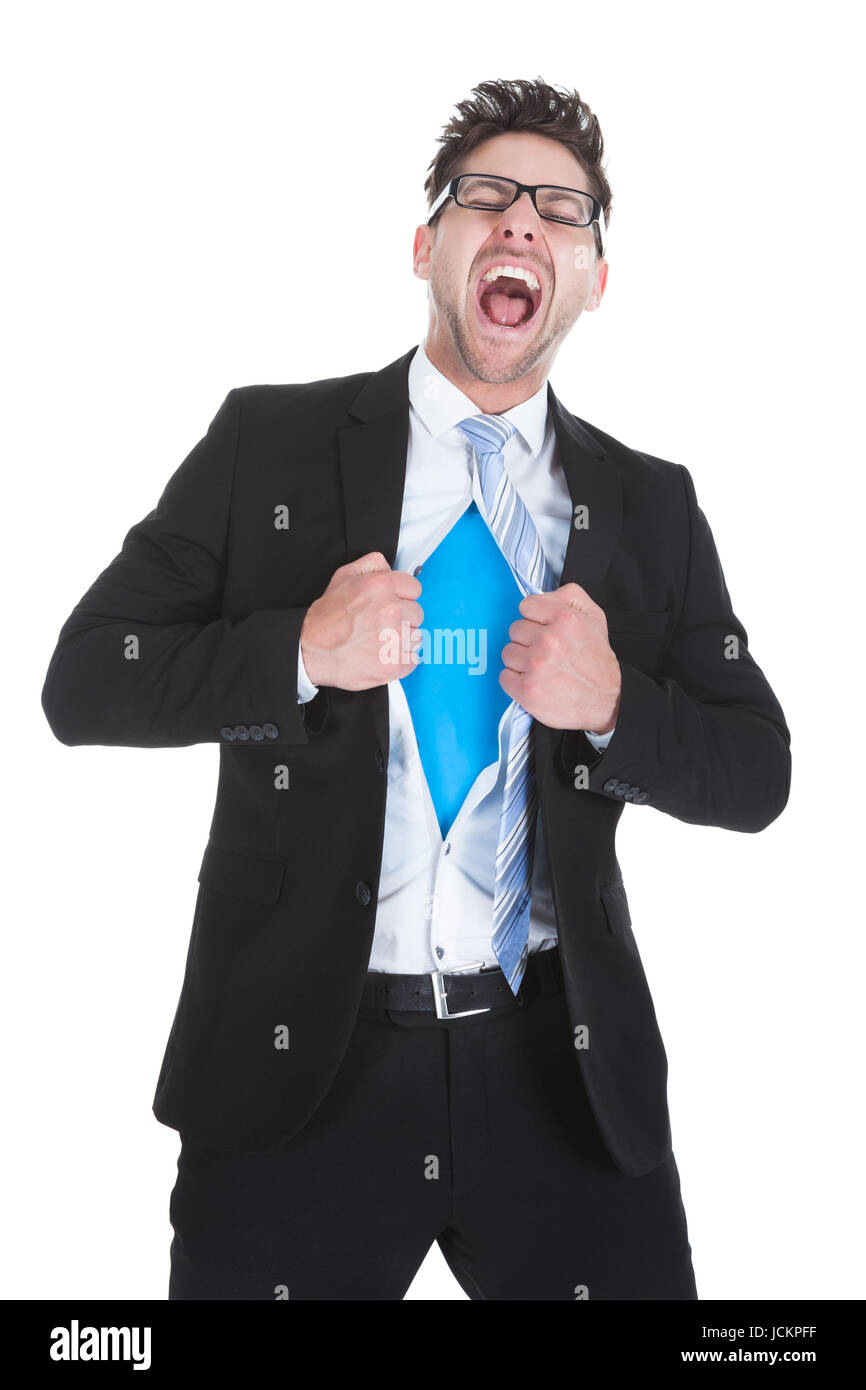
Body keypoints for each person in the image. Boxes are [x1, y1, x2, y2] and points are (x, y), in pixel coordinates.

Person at [41, 77, 791, 1300]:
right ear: (423, 245)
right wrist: (296, 649)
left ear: (595, 277)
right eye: (484, 197)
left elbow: (757, 771)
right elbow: (85, 681)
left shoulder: (652, 504)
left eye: (562, 210)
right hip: (301, 1073)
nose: (520, 224)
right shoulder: (266, 445)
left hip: (556, 1071)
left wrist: (613, 705)